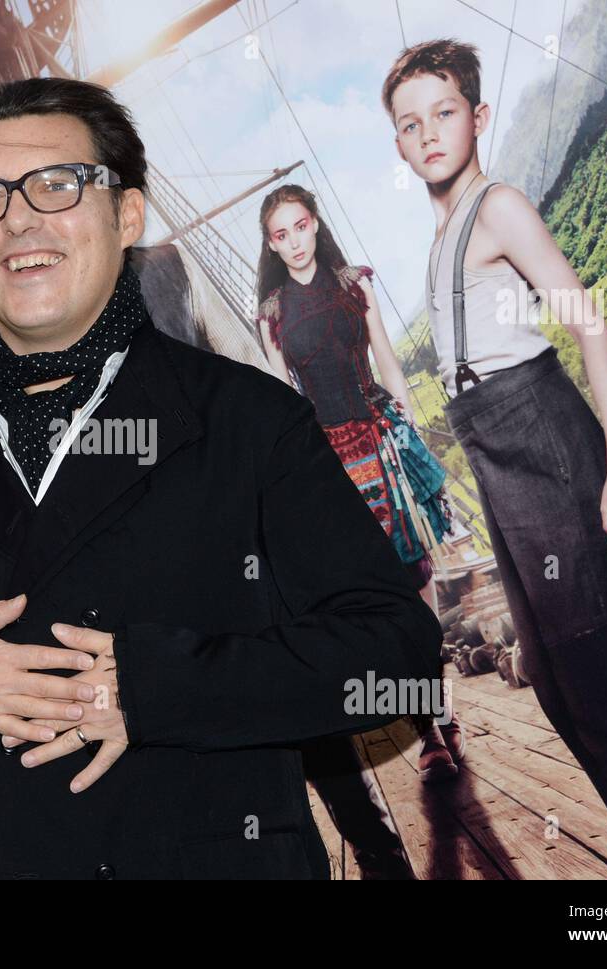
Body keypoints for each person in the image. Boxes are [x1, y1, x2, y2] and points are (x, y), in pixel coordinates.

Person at [0, 76, 443, 879]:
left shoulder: (245, 420)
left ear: (127, 215)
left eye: (57, 185)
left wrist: (158, 688)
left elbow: (396, 658)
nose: (19, 220)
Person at [383, 38, 607, 878]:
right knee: (564, 685)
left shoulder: (501, 208)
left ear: (480, 117)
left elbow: (590, 325)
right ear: (397, 141)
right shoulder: (437, 242)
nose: (429, 133)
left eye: (445, 112)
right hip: (500, 466)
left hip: (546, 437)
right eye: (409, 122)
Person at [256, 184, 462, 789]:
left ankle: (445, 715)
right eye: (280, 233)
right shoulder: (272, 315)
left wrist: (408, 427)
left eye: (300, 226)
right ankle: (428, 732)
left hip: (379, 443)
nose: (294, 242)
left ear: (315, 224)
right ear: (270, 243)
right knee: (376, 600)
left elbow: (389, 363)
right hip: (330, 468)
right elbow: (283, 400)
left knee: (418, 585)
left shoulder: (354, 284)